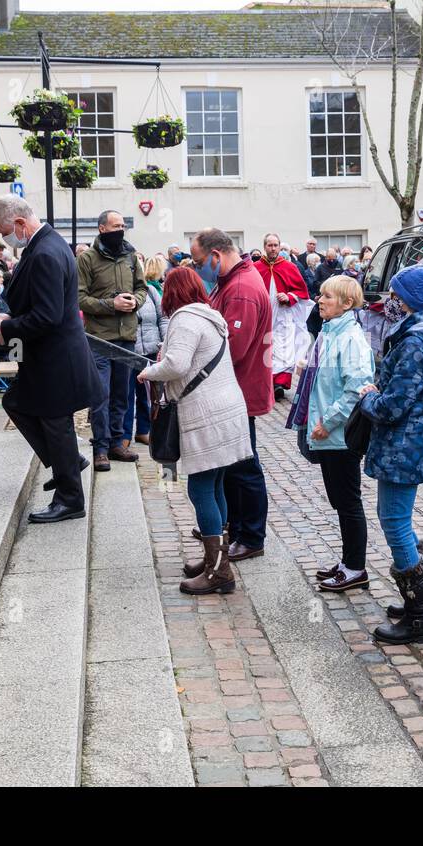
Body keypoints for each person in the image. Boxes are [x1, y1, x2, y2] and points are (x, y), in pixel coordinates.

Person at [0, 196, 101, 523]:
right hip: (48, 357)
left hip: (55, 358)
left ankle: (70, 498)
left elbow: (47, 316)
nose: (6, 240)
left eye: (5, 232)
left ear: (20, 223)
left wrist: (7, 329)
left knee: (55, 424)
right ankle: (67, 463)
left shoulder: (45, 252)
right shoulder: (45, 244)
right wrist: (5, 318)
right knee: (16, 402)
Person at [359, 265, 423, 645]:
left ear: (408, 302)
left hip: (404, 444)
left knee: (394, 523)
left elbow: (392, 406)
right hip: (413, 443)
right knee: (400, 520)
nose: (388, 302)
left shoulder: (416, 344)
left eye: (395, 297)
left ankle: (419, 620)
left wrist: (368, 396)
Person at [138, 267, 253, 596]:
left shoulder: (185, 319)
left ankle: (218, 572)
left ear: (172, 292)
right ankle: (214, 561)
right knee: (215, 486)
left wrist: (148, 373)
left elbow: (176, 365)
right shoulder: (209, 316)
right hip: (226, 410)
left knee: (201, 489)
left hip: (208, 415)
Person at [192, 227, 272, 561]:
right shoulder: (233, 282)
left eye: (199, 262)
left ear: (215, 256)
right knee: (232, 464)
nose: (198, 269)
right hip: (235, 390)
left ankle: (251, 536)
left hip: (239, 390)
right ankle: (235, 527)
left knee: (243, 466)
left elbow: (231, 349)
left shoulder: (240, 289)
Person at [291, 275, 376, 592]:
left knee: (349, 502)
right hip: (328, 435)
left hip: (340, 436)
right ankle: (347, 562)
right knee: (341, 501)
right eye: (320, 294)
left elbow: (356, 390)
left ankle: (356, 568)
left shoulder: (351, 339)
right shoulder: (329, 333)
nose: (320, 300)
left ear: (347, 303)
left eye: (327, 296)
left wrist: (327, 422)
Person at [78, 210, 147, 471]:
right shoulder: (87, 259)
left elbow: (141, 288)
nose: (121, 229)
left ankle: (118, 442)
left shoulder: (131, 255)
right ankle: (101, 448)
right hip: (99, 339)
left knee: (122, 394)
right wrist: (111, 304)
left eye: (122, 225)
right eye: (116, 225)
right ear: (102, 228)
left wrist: (135, 302)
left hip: (126, 336)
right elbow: (78, 298)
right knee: (101, 395)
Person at [254, 233, 311, 400]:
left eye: (275, 245)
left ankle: (278, 383)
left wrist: (289, 297)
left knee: (284, 349)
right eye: (269, 245)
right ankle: (265, 382)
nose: (273, 248)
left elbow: (302, 292)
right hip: (262, 316)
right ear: (264, 247)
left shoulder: (289, 267)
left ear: (279, 247)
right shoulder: (255, 268)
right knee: (263, 349)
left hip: (283, 316)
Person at [126, 255, 169, 446]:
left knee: (148, 396)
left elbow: (163, 317)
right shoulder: (122, 293)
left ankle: (144, 430)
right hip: (129, 351)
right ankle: (124, 435)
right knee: (125, 395)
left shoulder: (151, 291)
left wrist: (164, 342)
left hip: (151, 350)